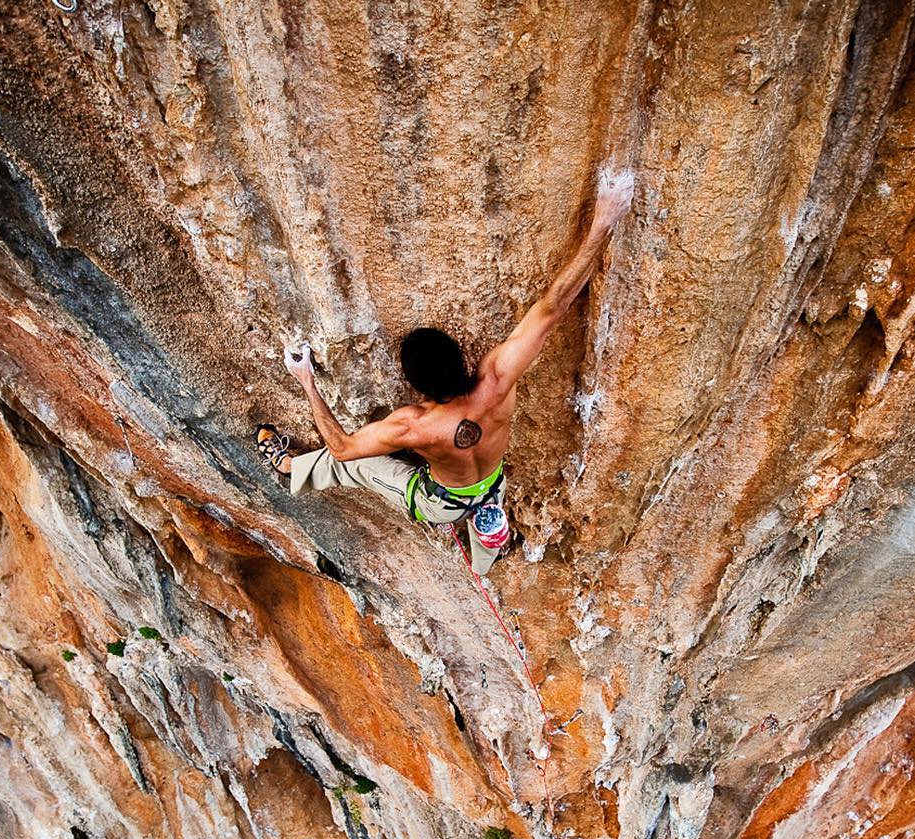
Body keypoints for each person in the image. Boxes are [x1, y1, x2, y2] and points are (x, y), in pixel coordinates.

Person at [256, 168, 635, 574]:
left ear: (416, 386)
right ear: (462, 358)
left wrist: (307, 382)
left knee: (353, 467)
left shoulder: (414, 427)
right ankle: (486, 558)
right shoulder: (497, 381)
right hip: (491, 486)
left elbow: (344, 449)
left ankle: (289, 467)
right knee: (487, 507)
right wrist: (603, 221)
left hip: (439, 503)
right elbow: (552, 307)